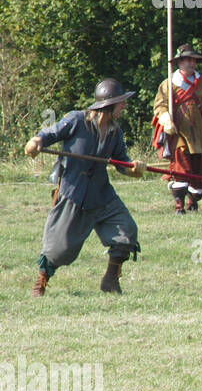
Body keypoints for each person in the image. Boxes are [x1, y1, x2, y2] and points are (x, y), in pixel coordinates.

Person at [24, 79, 147, 296]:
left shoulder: (115, 132)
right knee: (58, 249)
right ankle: (40, 282)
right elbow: (49, 134)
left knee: (126, 231)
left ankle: (110, 280)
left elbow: (121, 163)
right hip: (74, 193)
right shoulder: (76, 120)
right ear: (108, 105)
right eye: (120, 103)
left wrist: (134, 169)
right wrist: (35, 142)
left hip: (102, 194)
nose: (124, 107)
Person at [152, 43, 202, 213]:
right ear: (179, 62)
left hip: (199, 133)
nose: (191, 63)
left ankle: (193, 201)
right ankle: (179, 205)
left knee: (200, 171)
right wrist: (166, 119)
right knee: (181, 169)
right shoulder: (168, 84)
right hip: (178, 133)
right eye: (186, 60)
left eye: (193, 60)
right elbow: (159, 106)